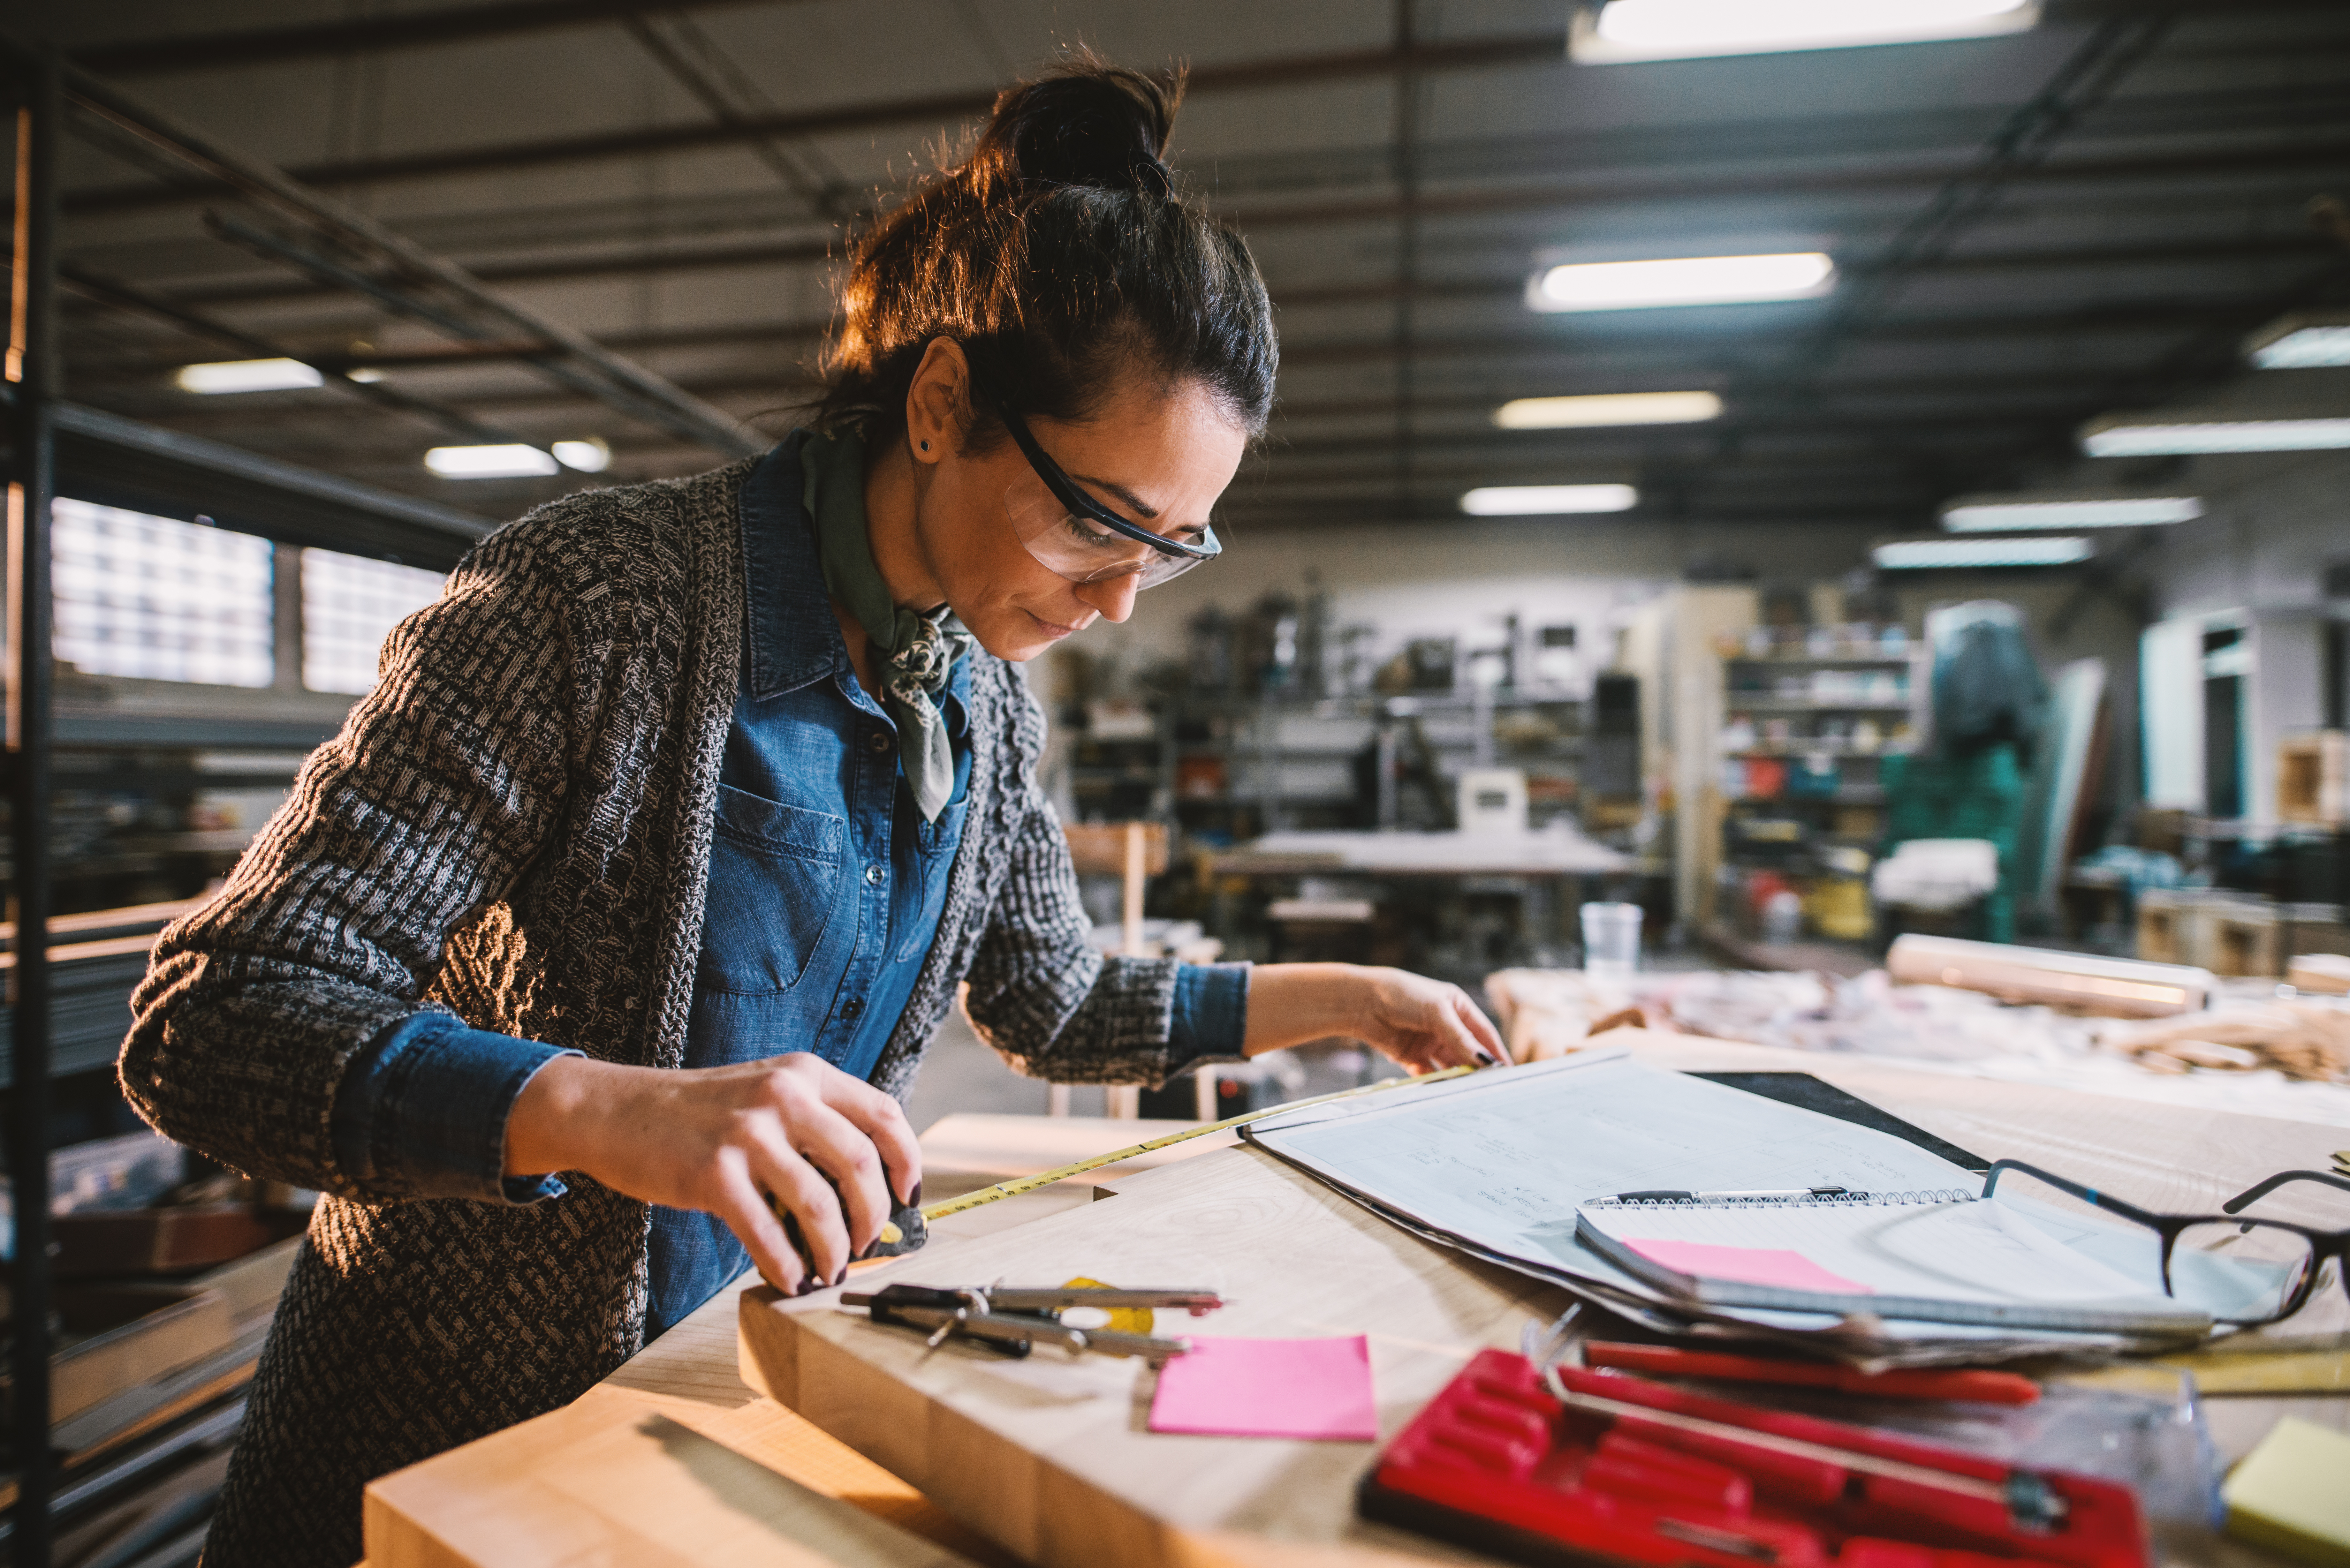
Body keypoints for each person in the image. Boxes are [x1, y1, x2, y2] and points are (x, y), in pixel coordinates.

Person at [120, 58, 1506, 1568]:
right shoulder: (597, 604)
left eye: (1172, 551)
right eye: (1100, 524)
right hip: (429, 1460)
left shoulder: (978, 695)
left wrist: (1347, 1001)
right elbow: (213, 1017)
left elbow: (1054, 1002)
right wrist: (611, 1111)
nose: (1117, 603)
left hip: (713, 1417)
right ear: (939, 406)